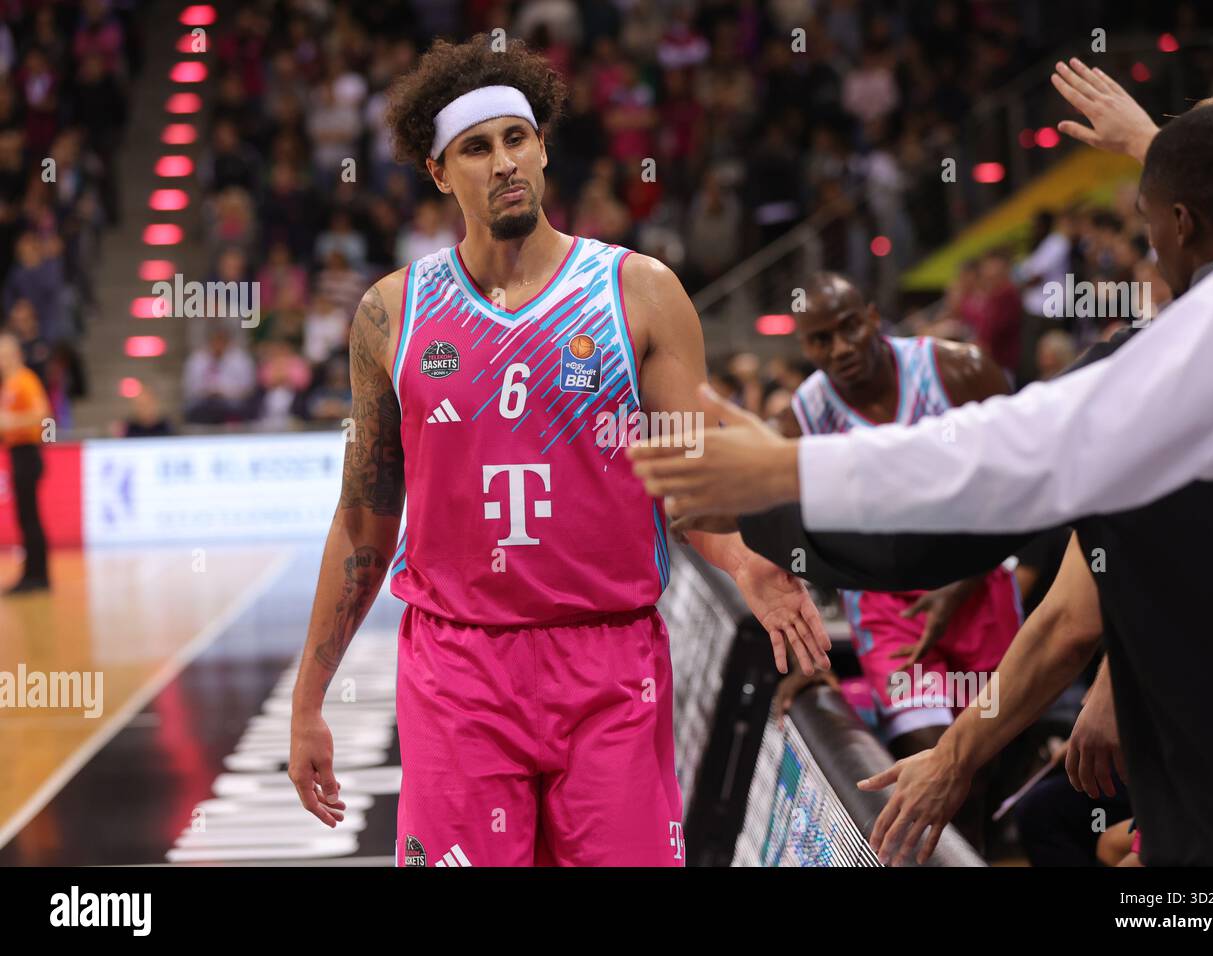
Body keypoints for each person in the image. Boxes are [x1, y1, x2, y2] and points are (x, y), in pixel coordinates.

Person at [628, 137, 1213, 870]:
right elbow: (1078, 602)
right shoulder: (810, 405)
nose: (1143, 246)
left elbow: (997, 481)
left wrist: (780, 484)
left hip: (976, 581)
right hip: (908, 604)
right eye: (822, 338)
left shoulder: (987, 369)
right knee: (966, 777)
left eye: (1147, 221)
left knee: (1002, 798)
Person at [287, 35, 829, 869]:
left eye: (517, 138)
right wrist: (308, 702)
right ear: (439, 172)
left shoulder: (640, 292)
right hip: (457, 668)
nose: (503, 162)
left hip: (610, 665)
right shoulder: (390, 315)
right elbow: (365, 520)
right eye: (475, 147)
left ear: (543, 147)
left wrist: (747, 562)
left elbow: (687, 483)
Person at [772, 271, 1021, 760]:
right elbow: (779, 537)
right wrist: (810, 654)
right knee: (928, 761)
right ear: (805, 347)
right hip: (888, 606)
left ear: (872, 317)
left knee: (990, 765)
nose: (840, 348)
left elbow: (1020, 481)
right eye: (821, 340)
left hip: (977, 581)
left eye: (849, 328)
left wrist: (963, 583)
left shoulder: (959, 371)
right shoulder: (802, 418)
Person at [0, 332, 51, 593]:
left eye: (6, 353)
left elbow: (42, 414)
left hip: (28, 452)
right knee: (24, 516)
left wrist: (12, 423)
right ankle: (31, 573)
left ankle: (39, 576)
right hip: (17, 453)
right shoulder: (8, 385)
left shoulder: (24, 380)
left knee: (30, 517)